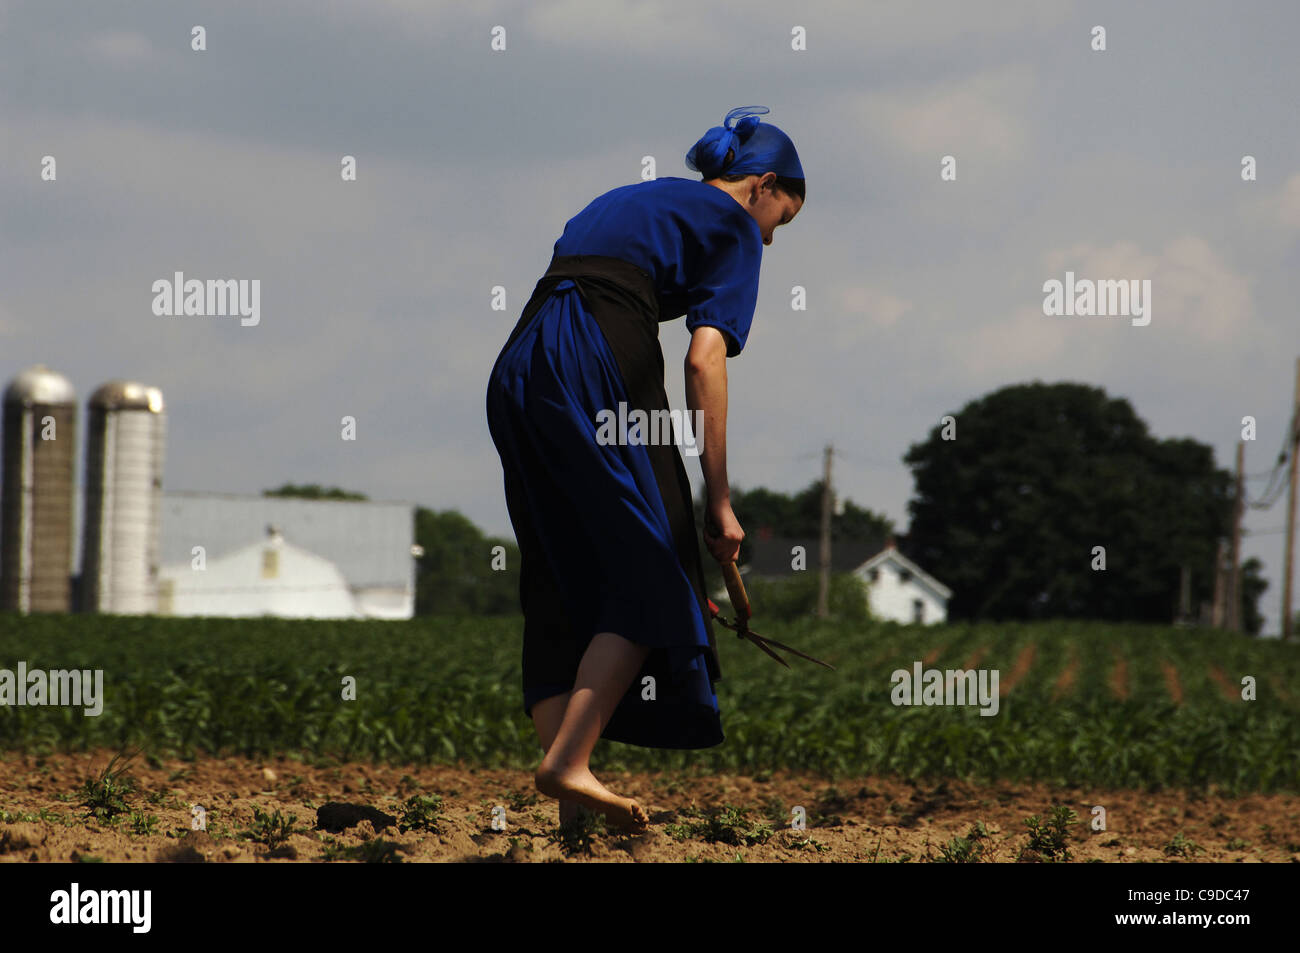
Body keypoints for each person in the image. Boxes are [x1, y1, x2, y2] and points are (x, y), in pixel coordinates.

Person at [485, 106, 804, 830]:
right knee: (658, 568)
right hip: (597, 355)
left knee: (559, 572)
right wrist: (718, 502)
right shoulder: (731, 226)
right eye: (778, 221)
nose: (769, 241)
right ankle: (567, 764)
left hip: (521, 364)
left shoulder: (630, 198)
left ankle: (573, 806)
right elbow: (703, 357)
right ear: (763, 185)